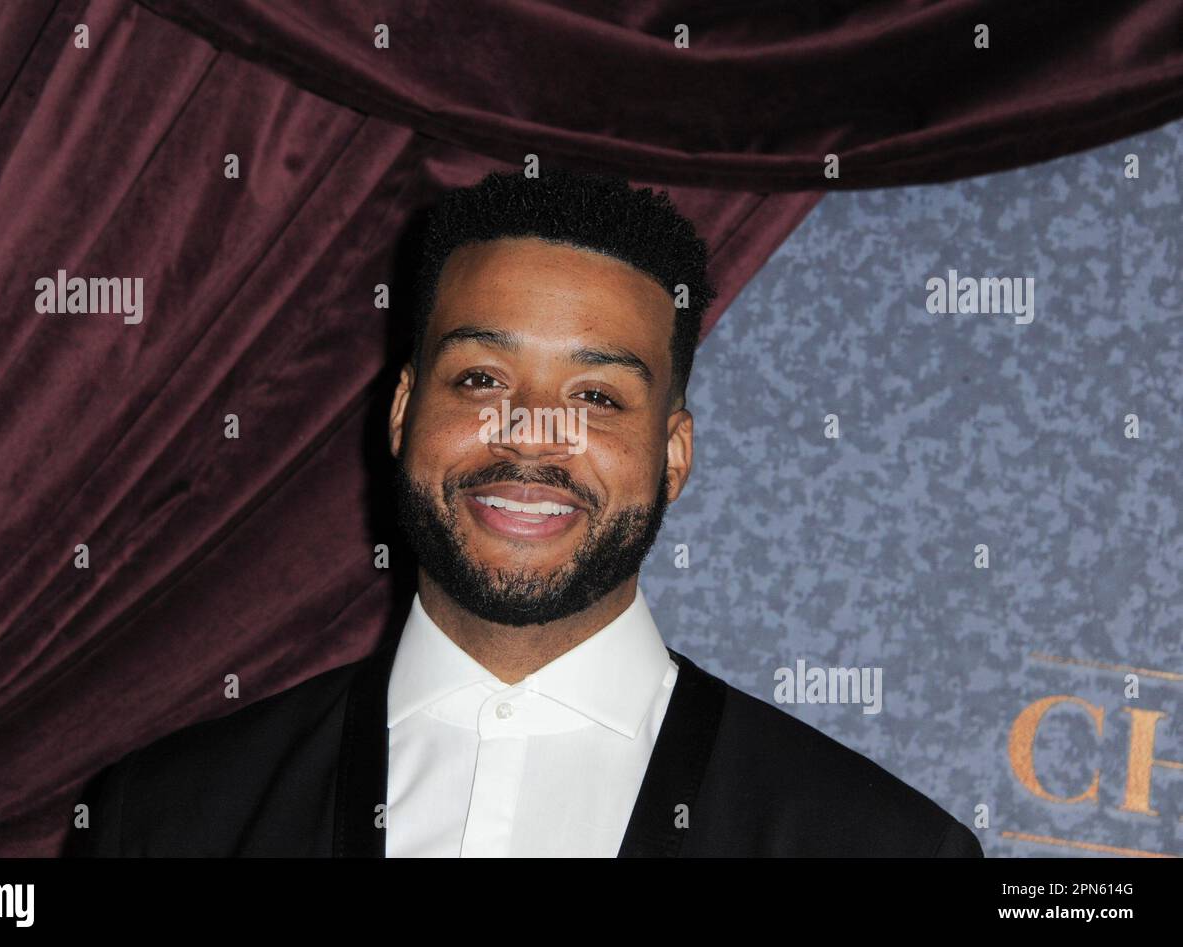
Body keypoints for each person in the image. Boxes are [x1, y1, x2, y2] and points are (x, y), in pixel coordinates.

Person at [67, 168, 983, 858]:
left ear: (674, 454)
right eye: (481, 378)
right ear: (403, 412)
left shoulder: (884, 846)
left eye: (597, 396)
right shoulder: (163, 821)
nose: (532, 433)